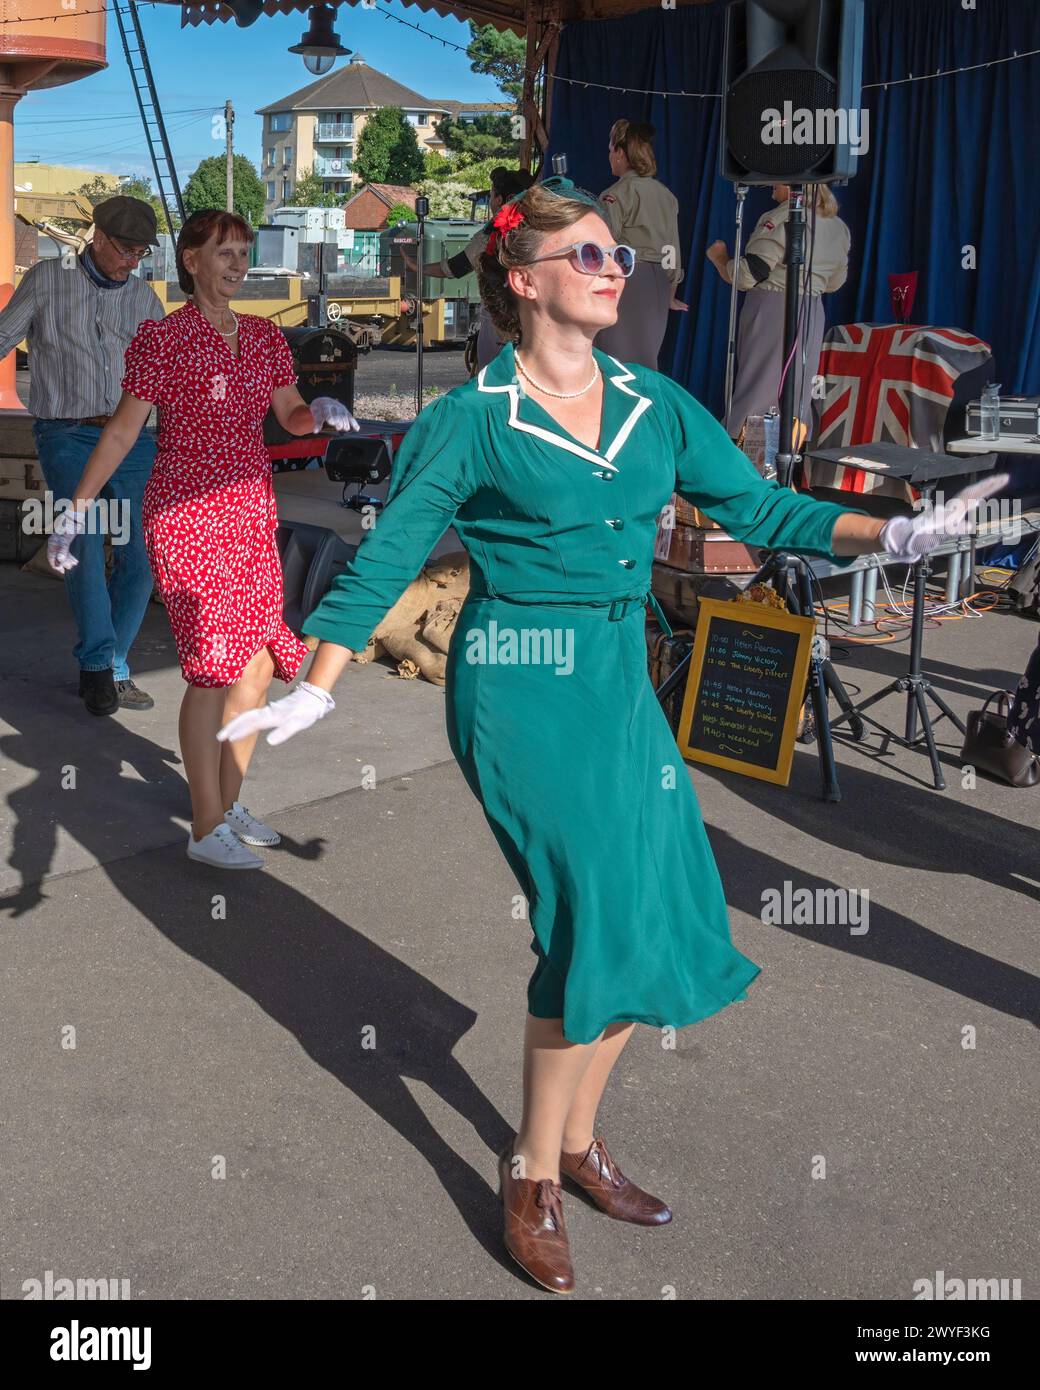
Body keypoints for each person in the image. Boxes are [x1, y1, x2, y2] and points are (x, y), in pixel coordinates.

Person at [216, 178, 1001, 1293]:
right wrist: (317, 679)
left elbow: (763, 511)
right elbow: (390, 554)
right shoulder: (471, 416)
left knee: (654, 911)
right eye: (587, 254)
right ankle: (530, 1169)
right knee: (589, 918)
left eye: (617, 258)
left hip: (618, 686)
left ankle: (576, 1140)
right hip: (518, 686)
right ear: (524, 278)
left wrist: (895, 527)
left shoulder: (654, 401)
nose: (613, 269)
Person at [47, 209, 359, 870]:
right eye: (225, 253)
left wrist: (321, 415)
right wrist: (76, 509)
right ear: (191, 260)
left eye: (245, 253)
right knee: (213, 667)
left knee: (259, 663)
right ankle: (204, 825)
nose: (238, 265)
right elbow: (125, 432)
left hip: (249, 513)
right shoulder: (162, 340)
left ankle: (227, 800)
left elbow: (290, 415)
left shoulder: (265, 338)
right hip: (187, 518)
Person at [0, 196, 165, 716]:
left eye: (142, 251)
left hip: (135, 439)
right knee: (85, 541)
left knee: (141, 554)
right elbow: (4, 335)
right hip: (66, 434)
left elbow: (170, 376)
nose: (132, 260)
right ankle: (98, 666)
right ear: (97, 238)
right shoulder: (48, 279)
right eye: (125, 249)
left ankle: (115, 661)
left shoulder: (145, 299)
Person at [707, 182, 851, 439]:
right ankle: (784, 466)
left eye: (776, 179)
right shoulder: (838, 227)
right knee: (796, 396)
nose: (771, 185)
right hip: (812, 310)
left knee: (759, 389)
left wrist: (721, 258)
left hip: (774, 307)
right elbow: (835, 283)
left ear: (791, 183)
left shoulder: (783, 216)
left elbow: (748, 275)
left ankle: (748, 467)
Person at [401, 167, 535, 372]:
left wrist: (417, 267)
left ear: (500, 200)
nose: (490, 201)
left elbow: (456, 267)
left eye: (491, 196)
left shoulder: (493, 232)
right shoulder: (537, 227)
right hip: (535, 323)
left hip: (499, 324)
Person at [595, 119, 687, 369]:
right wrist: (670, 291)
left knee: (614, 360)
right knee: (645, 362)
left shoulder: (617, 194)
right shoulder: (666, 195)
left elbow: (607, 243)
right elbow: (672, 250)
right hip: (658, 284)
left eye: (610, 149)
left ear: (620, 153)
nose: (609, 155)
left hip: (628, 278)